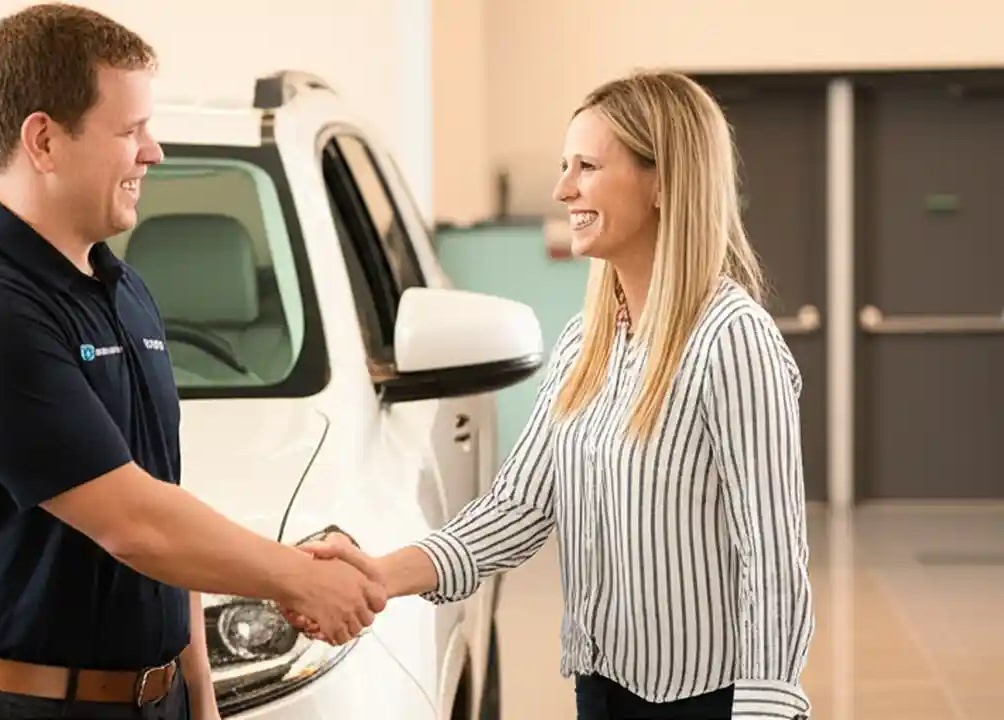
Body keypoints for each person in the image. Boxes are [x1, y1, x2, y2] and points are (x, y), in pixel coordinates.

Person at [0, 5, 385, 719]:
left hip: (153, 698)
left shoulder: (121, 291)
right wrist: (298, 578)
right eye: (130, 130)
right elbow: (134, 524)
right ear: (43, 140)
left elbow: (160, 506)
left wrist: (199, 695)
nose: (153, 152)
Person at [287, 71, 814, 720]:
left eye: (587, 167)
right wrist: (378, 574)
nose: (564, 190)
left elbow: (773, 558)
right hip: (603, 685)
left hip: (706, 701)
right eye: (566, 167)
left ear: (663, 183)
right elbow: (518, 509)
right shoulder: (585, 345)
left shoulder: (732, 341)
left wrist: (765, 710)